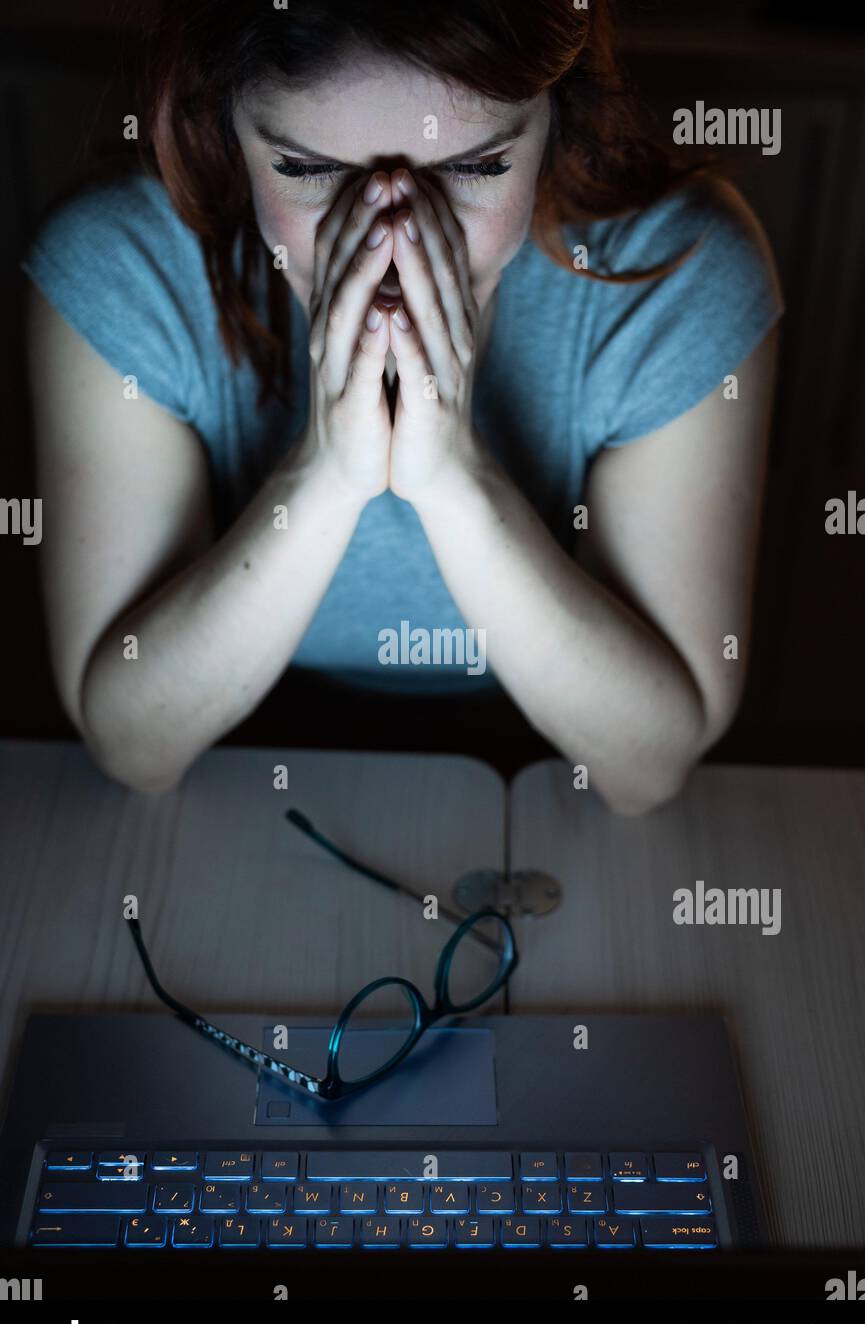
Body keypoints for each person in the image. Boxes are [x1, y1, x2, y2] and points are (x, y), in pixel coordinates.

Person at [22, 0, 783, 812]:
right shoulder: (120, 268)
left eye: (478, 167)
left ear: (557, 116)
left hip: (550, 784)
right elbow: (135, 748)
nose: (395, 242)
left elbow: (647, 768)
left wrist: (453, 479)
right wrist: (325, 474)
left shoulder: (677, 274)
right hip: (234, 778)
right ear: (222, 122)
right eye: (308, 171)